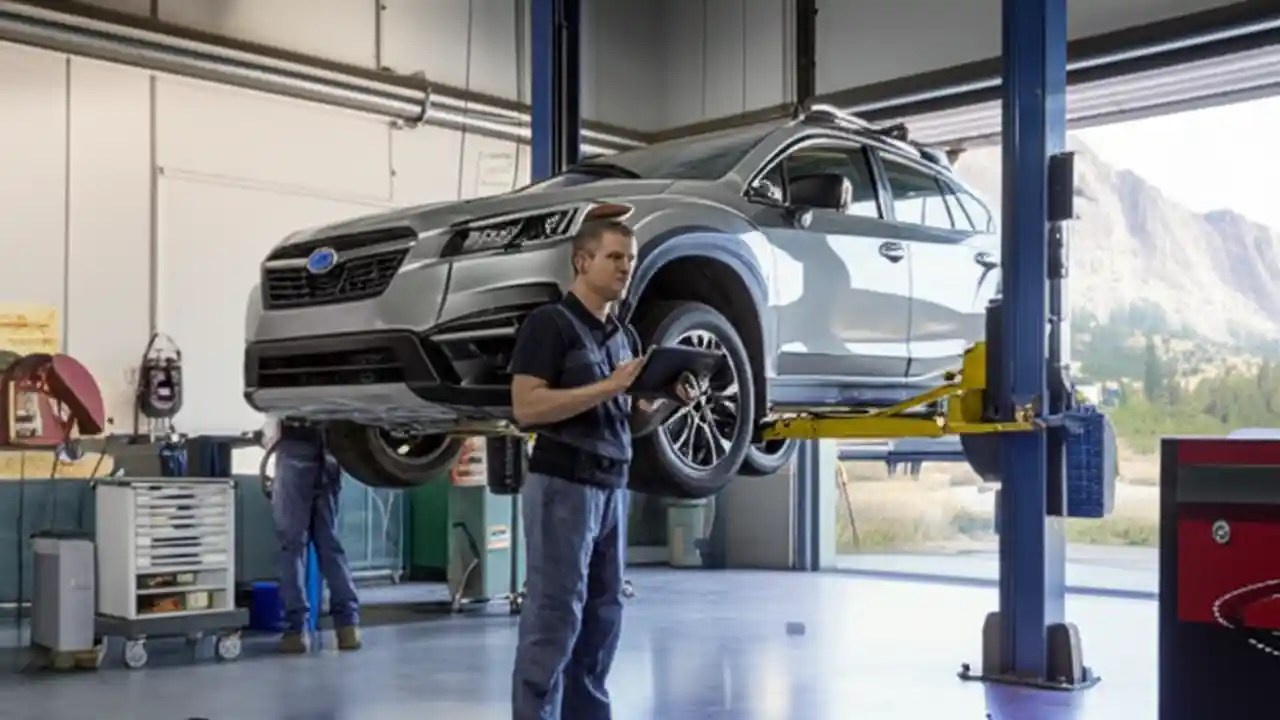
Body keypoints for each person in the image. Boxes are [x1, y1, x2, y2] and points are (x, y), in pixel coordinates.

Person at [508, 214, 696, 719]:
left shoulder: (625, 336)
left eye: (631, 260)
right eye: (615, 257)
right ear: (582, 260)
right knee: (554, 620)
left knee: (601, 621)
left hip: (613, 487)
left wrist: (668, 399)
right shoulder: (550, 325)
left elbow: (628, 421)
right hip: (562, 485)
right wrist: (610, 386)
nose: (625, 268)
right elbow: (527, 407)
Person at [263, 416, 362, 654]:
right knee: (329, 544)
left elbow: (270, 417)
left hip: (294, 446)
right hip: (331, 449)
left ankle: (296, 631)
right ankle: (348, 628)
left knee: (292, 545)